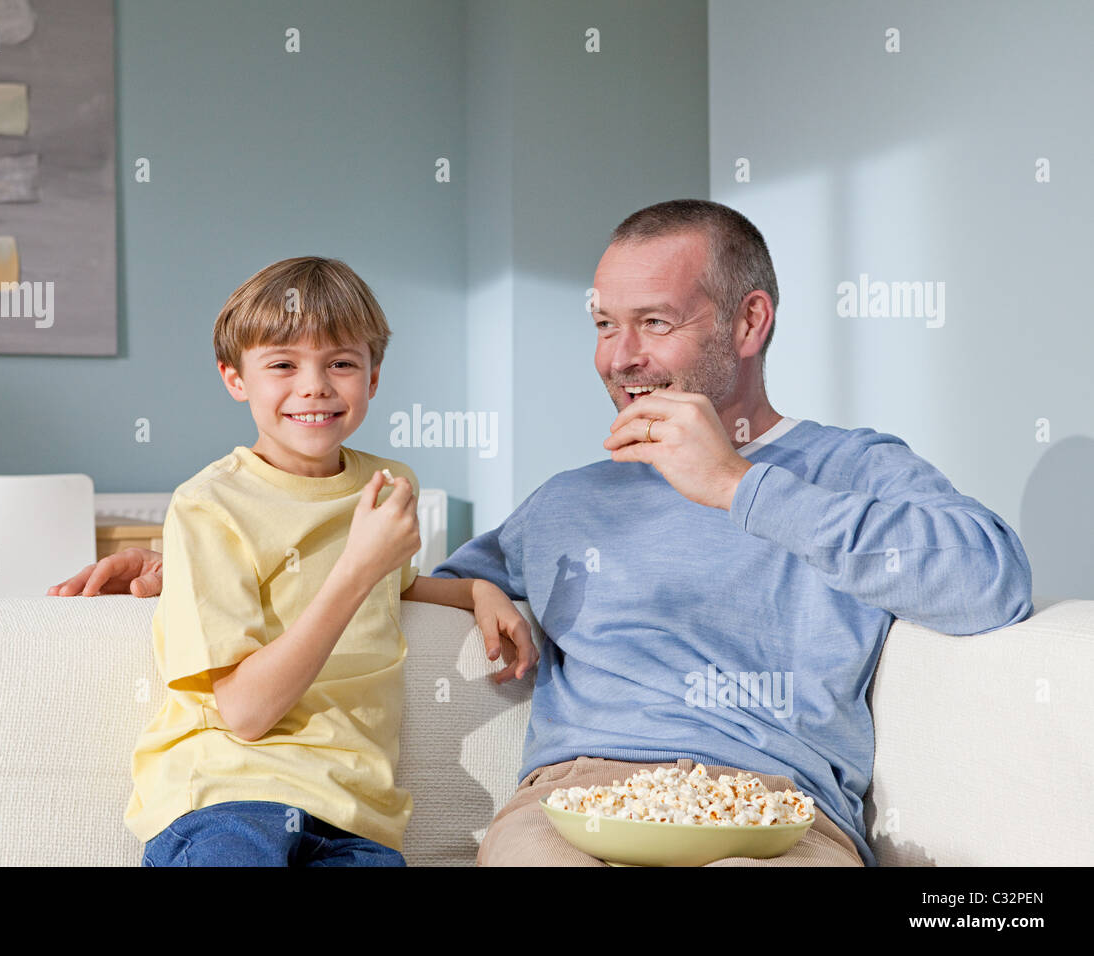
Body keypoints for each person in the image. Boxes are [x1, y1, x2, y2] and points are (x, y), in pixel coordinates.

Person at [54, 200, 1033, 868]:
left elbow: (991, 583)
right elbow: (392, 578)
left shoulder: (851, 467)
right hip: (571, 805)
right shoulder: (569, 500)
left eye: (651, 321)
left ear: (748, 321)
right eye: (603, 323)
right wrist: (188, 564)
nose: (619, 356)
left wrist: (737, 486)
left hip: (775, 813)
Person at [106, 255, 537, 867]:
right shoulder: (209, 506)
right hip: (229, 797)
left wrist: (475, 592)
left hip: (355, 816)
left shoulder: (387, 486)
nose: (315, 386)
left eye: (341, 363)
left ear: (374, 377)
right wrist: (359, 566)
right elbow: (247, 713)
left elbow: (396, 586)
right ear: (235, 378)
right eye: (282, 364)